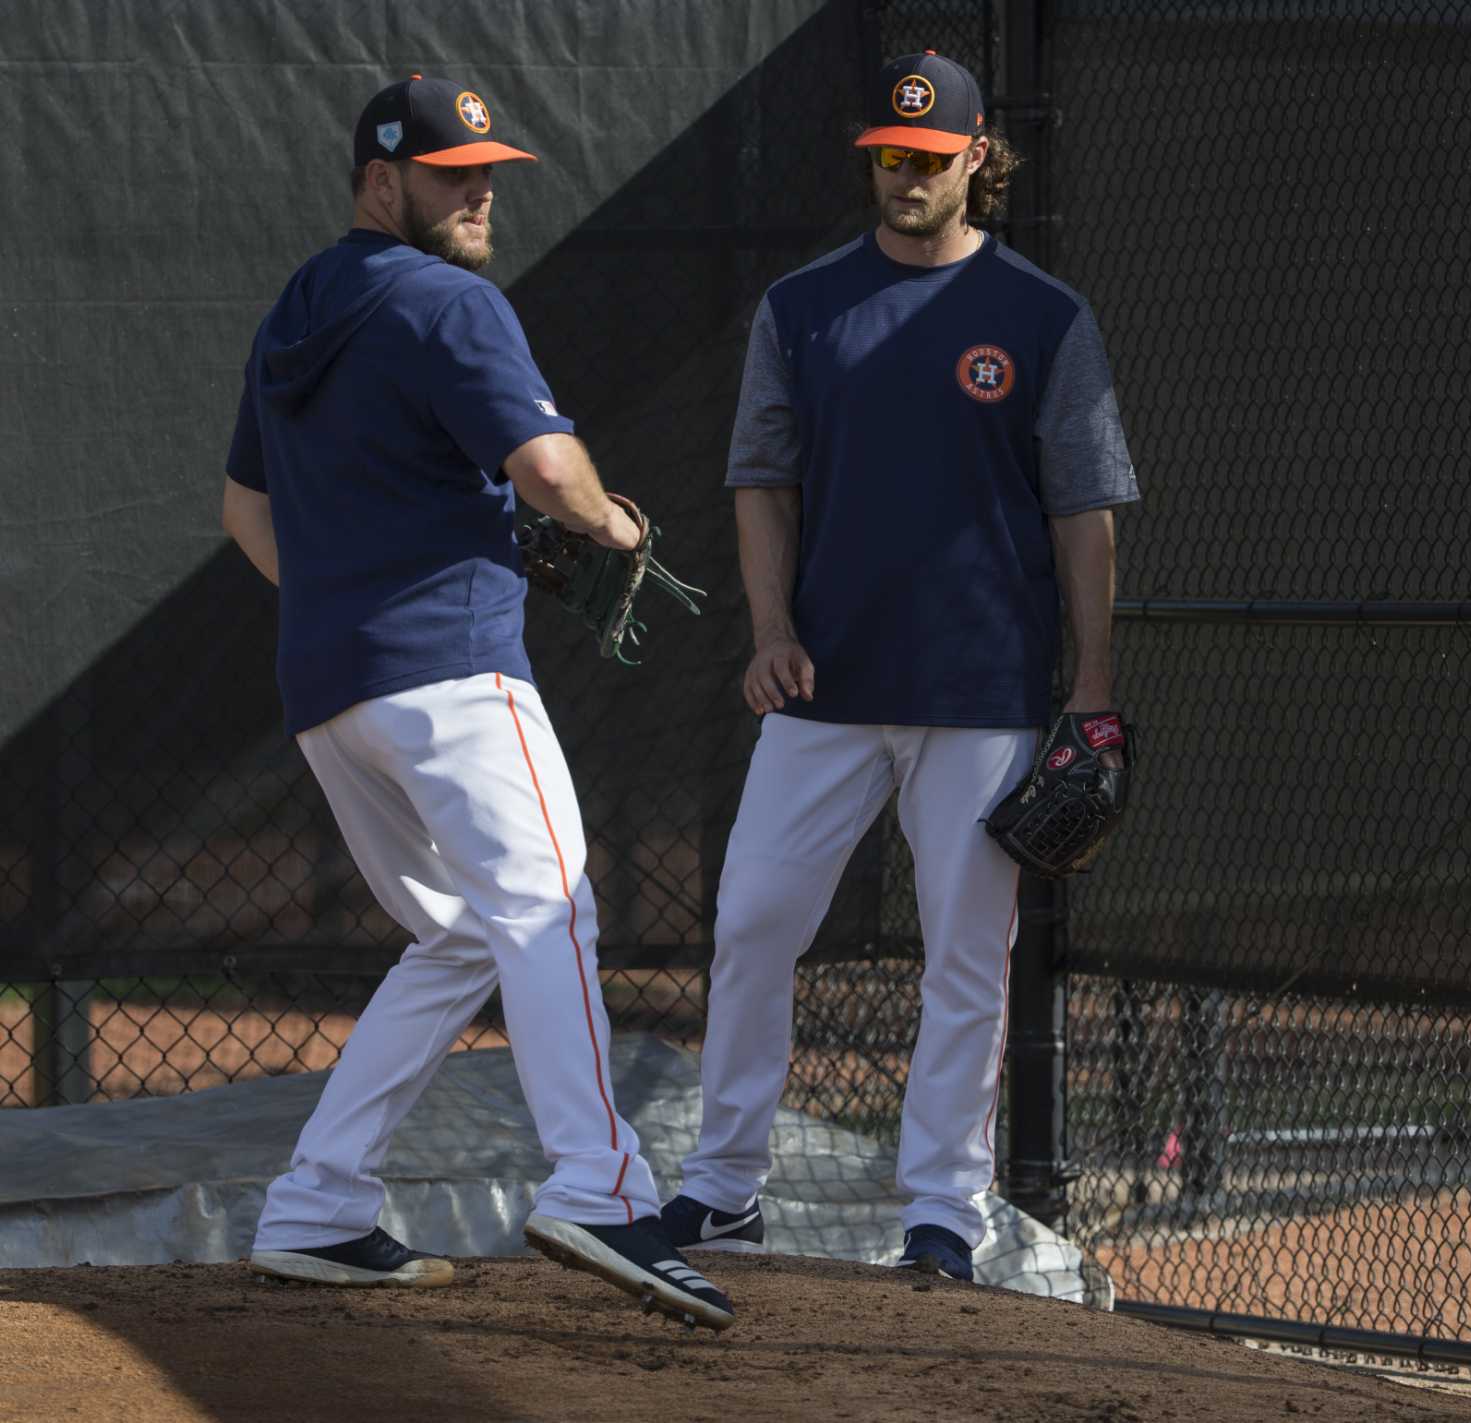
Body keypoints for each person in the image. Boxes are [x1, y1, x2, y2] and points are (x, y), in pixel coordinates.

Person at [218, 74, 734, 1328]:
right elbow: (549, 471)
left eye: (488, 169)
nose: (480, 189)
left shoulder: (299, 308)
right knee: (551, 905)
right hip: (450, 674)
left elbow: (243, 512)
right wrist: (609, 518)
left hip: (332, 689)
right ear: (379, 178)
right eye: (454, 172)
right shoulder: (452, 303)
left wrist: (350, 601)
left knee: (455, 931)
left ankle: (318, 1206)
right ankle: (601, 1185)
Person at [658, 50, 1139, 1281]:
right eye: (887, 154)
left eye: (928, 158)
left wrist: (1090, 687)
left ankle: (941, 1213)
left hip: (983, 688)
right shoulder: (802, 306)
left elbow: (1084, 513)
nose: (904, 173)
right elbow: (759, 477)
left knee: (966, 956)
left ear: (978, 158)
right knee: (756, 920)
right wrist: (770, 632)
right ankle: (720, 1190)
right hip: (826, 682)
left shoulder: (1044, 316)